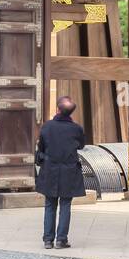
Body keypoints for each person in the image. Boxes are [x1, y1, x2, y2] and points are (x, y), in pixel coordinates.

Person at [35, 96, 86, 248]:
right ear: (71, 113)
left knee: (49, 204)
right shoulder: (77, 129)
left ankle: (48, 240)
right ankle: (61, 240)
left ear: (57, 109)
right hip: (69, 170)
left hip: (50, 169)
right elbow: (81, 145)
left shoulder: (47, 126)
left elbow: (41, 147)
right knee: (65, 205)